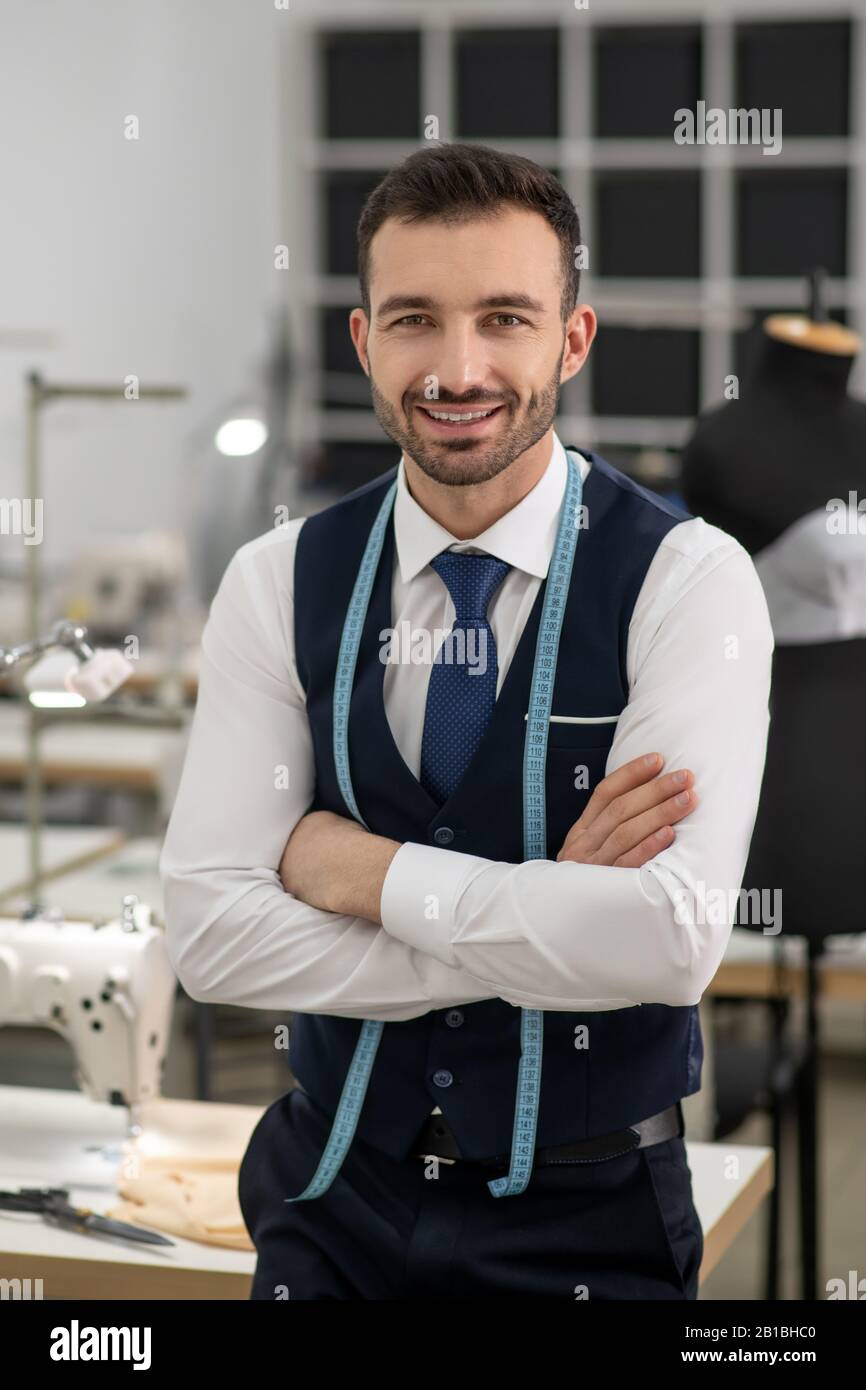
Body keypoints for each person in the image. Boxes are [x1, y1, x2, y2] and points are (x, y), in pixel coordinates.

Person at [160, 142, 773, 1300]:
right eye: (412, 321)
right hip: (328, 1198)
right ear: (362, 341)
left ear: (570, 338)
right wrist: (546, 907)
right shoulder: (277, 579)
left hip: (588, 1224)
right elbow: (210, 933)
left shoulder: (687, 582)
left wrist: (356, 867)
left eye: (502, 317)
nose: (456, 367)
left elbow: (666, 943)